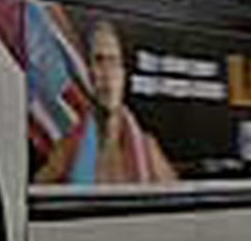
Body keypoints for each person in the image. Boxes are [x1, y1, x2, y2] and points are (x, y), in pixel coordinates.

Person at [38, 18, 178, 185]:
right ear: (88, 74)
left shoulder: (147, 148)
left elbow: (176, 201)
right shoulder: (70, 149)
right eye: (99, 60)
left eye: (113, 61)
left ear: (123, 74)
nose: (107, 73)